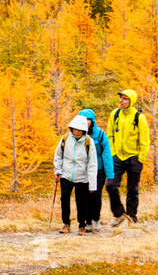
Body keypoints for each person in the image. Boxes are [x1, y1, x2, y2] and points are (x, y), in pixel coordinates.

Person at [106, 88, 150, 226]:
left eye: (125, 98)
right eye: (121, 98)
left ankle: (132, 216)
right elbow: (110, 135)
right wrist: (112, 154)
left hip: (133, 157)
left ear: (131, 101)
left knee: (132, 189)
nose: (121, 100)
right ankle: (119, 214)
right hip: (117, 156)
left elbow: (145, 140)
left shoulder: (139, 117)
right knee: (110, 185)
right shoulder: (114, 115)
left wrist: (140, 158)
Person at [53, 113, 97, 235]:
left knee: (81, 202)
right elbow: (58, 155)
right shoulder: (65, 139)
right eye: (75, 129)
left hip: (82, 177)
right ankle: (66, 224)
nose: (77, 132)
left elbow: (92, 163)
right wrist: (57, 171)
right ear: (71, 128)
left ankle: (81, 226)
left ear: (84, 130)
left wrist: (92, 184)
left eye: (80, 130)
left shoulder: (89, 142)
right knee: (64, 199)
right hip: (66, 175)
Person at [79, 107, 114, 232]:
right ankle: (87, 222)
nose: (85, 122)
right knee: (85, 196)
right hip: (82, 170)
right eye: (83, 119)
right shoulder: (77, 135)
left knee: (96, 196)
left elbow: (107, 154)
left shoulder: (100, 135)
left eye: (88, 119)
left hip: (98, 170)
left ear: (92, 120)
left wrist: (110, 174)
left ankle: (96, 219)